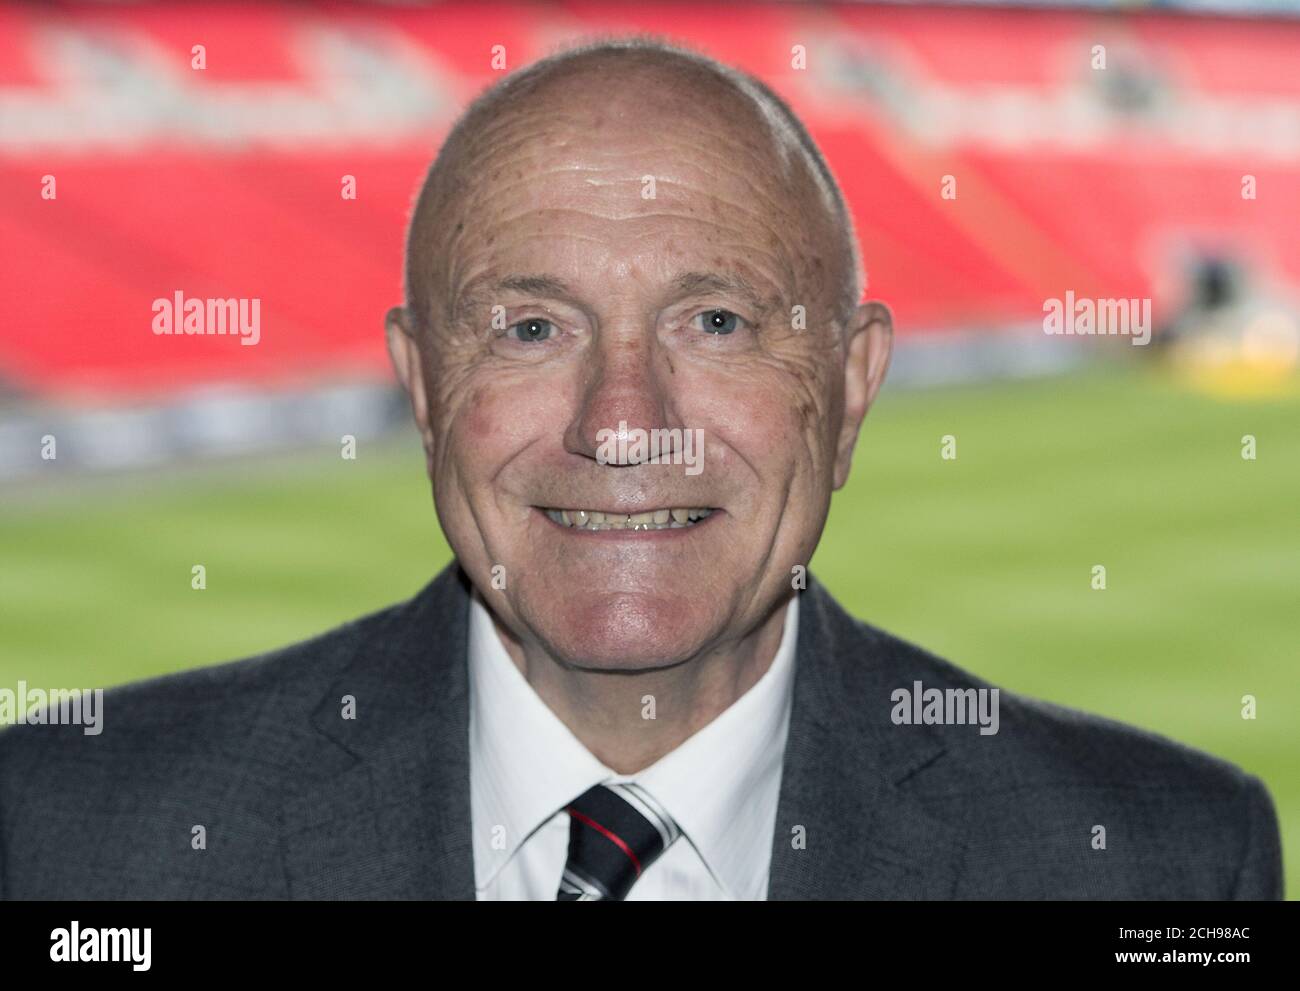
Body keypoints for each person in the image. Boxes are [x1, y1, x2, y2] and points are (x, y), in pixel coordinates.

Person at [0, 40, 1282, 900]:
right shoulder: (68, 836)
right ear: (420, 386)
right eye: (530, 328)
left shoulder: (1159, 866)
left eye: (715, 322)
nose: (625, 425)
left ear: (848, 390)